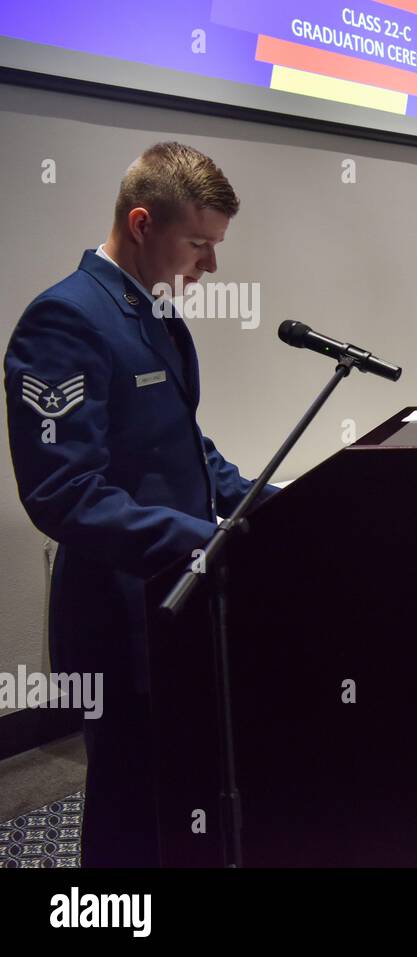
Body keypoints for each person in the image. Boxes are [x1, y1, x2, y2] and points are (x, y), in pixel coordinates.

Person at [4, 142, 272, 867]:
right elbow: (64, 493)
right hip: (115, 612)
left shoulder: (153, 313)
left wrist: (261, 500)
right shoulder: (65, 320)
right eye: (198, 244)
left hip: (175, 597)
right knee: (130, 802)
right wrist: (199, 540)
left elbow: (182, 443)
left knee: (180, 782)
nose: (209, 267)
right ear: (143, 222)